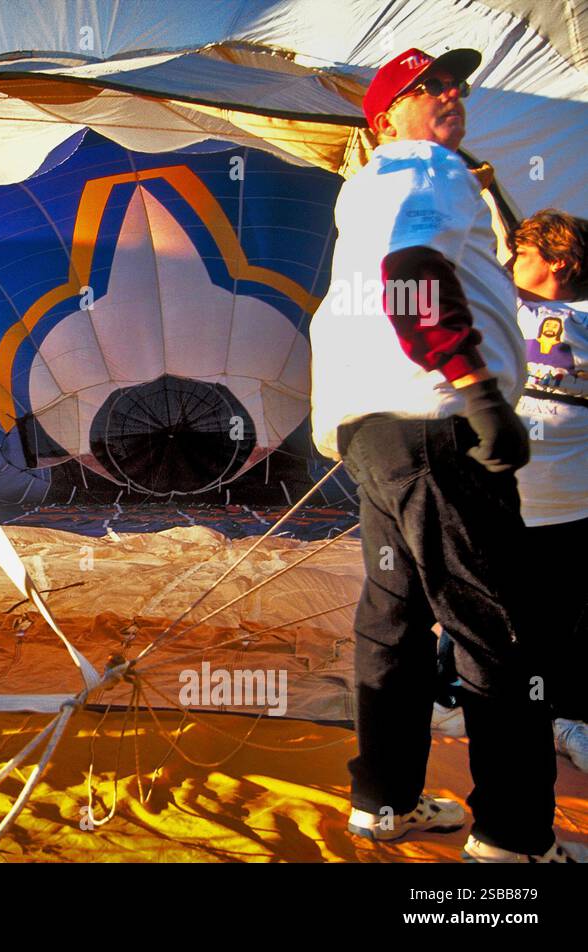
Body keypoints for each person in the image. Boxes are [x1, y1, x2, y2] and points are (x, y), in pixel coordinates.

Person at [309, 48, 573, 862]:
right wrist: (483, 396)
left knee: (391, 620)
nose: (449, 95)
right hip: (434, 423)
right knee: (497, 632)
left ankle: (382, 800)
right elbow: (413, 277)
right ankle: (513, 837)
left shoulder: (364, 191)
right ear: (385, 116)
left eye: (454, 83)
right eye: (426, 88)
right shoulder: (430, 166)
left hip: (371, 434)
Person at [437, 210, 588, 771]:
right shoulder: (503, 305)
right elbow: (481, 242)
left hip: (573, 501)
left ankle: (567, 716)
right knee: (479, 600)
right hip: (500, 489)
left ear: (559, 261)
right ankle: (447, 692)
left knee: (563, 618)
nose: (509, 262)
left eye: (524, 254)